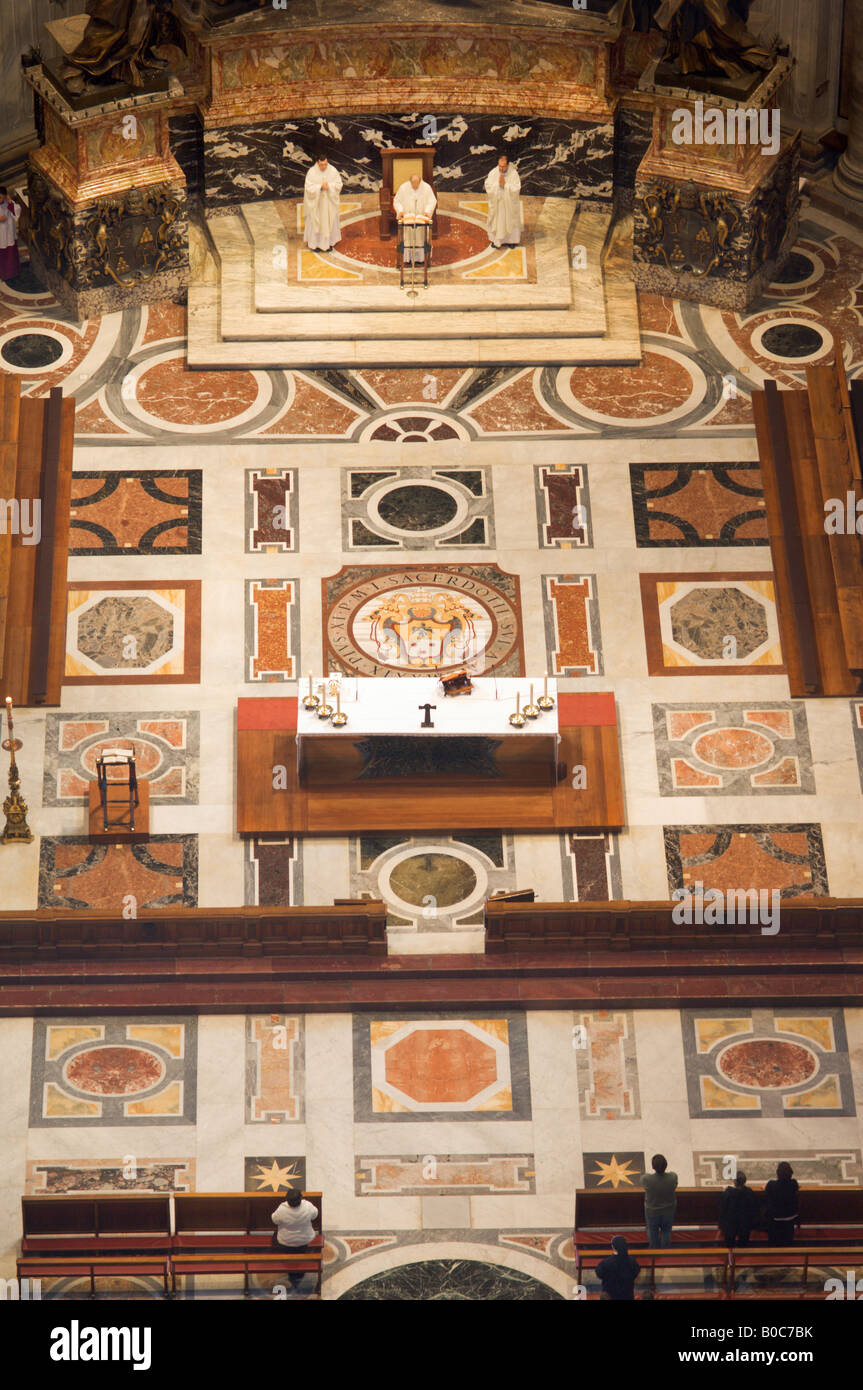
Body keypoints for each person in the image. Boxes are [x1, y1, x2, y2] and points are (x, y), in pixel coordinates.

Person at [271, 1188, 319, 1289]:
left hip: (286, 1241)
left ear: (287, 1200)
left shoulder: (282, 1209)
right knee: (301, 1252)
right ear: (301, 1198)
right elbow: (315, 1215)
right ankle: (300, 1272)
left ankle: (292, 1272)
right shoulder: (307, 1206)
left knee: (289, 1254)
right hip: (305, 1239)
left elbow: (274, 1220)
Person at [393, 171, 436, 265]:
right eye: (413, 184)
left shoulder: (426, 188)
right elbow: (397, 201)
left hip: (421, 218)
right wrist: (400, 211)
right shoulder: (404, 187)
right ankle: (408, 259)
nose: (415, 186)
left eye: (417, 184)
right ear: (410, 182)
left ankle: (421, 259)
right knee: (408, 240)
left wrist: (428, 211)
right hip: (408, 218)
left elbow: (432, 201)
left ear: (420, 182)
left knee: (421, 239)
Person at [303, 155, 342, 252]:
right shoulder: (311, 172)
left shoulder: (333, 170)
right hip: (316, 204)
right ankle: (314, 244)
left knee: (328, 222)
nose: (324, 167)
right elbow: (308, 188)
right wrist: (320, 187)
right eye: (321, 165)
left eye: (325, 164)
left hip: (328, 203)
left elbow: (339, 184)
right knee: (316, 222)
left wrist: (330, 186)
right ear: (317, 163)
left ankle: (328, 244)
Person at [638, 1153, 678, 1248]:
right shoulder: (672, 1177)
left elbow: (642, 1178)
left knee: (652, 1231)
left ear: (653, 1167)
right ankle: (665, 1250)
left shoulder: (646, 1179)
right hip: (668, 1210)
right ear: (666, 1165)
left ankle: (654, 1250)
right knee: (666, 1231)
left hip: (652, 1211)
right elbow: (674, 1177)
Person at [484, 155, 522, 249]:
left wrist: (505, 185)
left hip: (509, 205)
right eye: (500, 166)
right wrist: (497, 185)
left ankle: (511, 241)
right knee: (498, 221)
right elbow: (488, 186)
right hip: (498, 203)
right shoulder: (493, 172)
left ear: (508, 165)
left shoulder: (514, 174)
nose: (501, 169)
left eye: (503, 166)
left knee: (510, 220)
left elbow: (517, 188)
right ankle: (496, 240)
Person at [718, 1170, 760, 1248]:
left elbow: (722, 1209)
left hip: (730, 1225)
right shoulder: (749, 1193)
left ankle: (730, 1258)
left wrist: (722, 1225)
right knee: (743, 1244)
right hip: (745, 1225)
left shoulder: (727, 1194)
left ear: (734, 1181)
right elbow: (755, 1209)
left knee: (730, 1245)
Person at [595, 1235, 641, 1301]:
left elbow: (599, 1273)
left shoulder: (606, 1262)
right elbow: (636, 1272)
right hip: (627, 1295)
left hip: (610, 1295)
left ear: (613, 1247)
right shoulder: (632, 1261)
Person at [764, 1161, 799, 1246]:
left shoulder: (771, 1185)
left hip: (775, 1217)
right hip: (790, 1216)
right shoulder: (793, 1184)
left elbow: (768, 1191)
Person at [0, 188, 21, 283]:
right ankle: (3, 274)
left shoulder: (8, 203)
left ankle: (12, 273)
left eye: (1, 197)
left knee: (10, 254)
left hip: (9, 234)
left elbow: (16, 212)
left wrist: (10, 203)